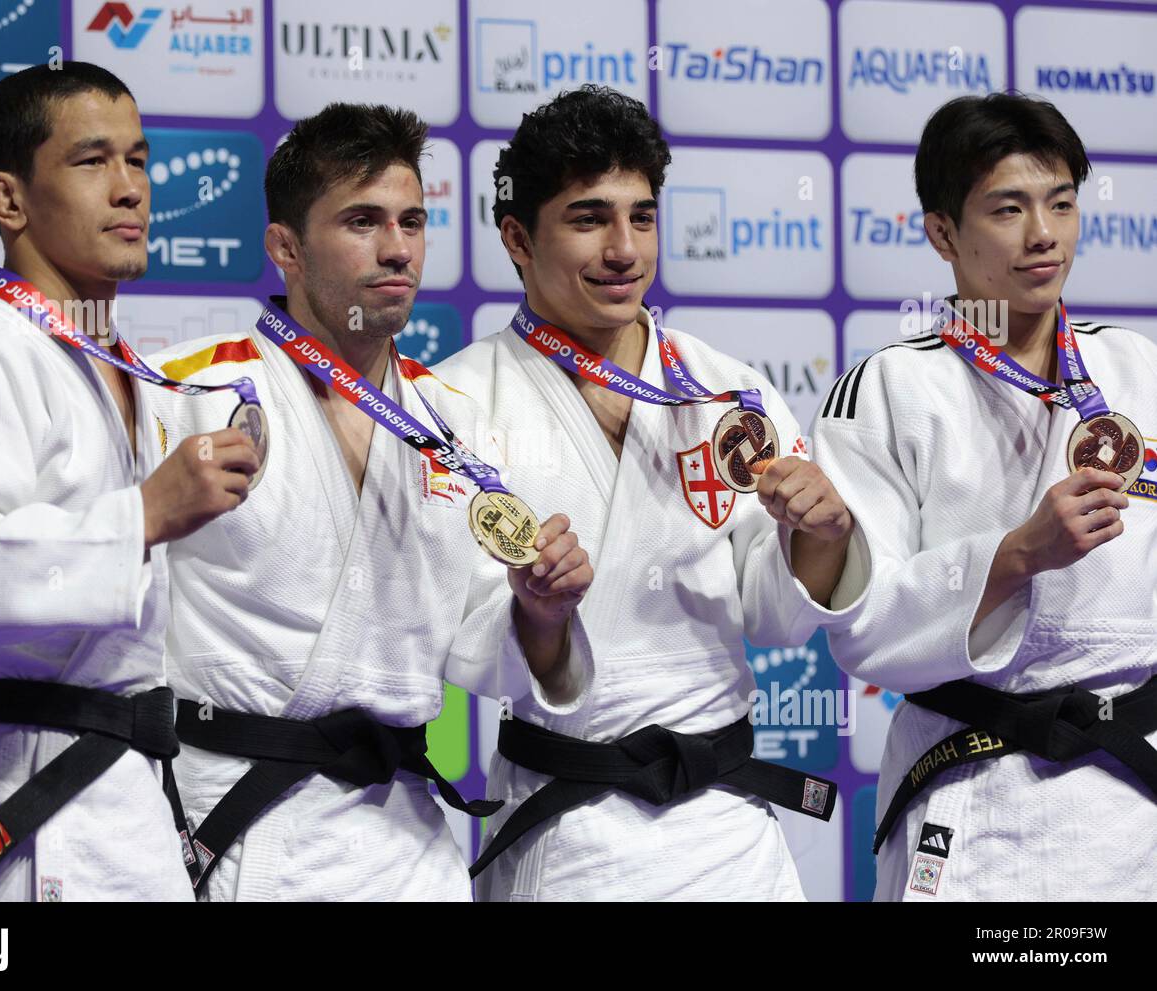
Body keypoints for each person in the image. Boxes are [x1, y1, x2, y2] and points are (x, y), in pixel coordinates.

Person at [429, 86, 873, 901]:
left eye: (642, 217)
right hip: (571, 830)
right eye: (590, 218)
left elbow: (773, 615)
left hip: (728, 830)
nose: (623, 249)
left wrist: (822, 535)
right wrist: (539, 614)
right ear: (518, 238)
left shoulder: (727, 393)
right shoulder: (453, 405)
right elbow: (453, 632)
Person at [146, 102, 594, 900]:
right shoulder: (183, 392)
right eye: (362, 221)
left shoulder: (455, 421)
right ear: (285, 246)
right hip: (238, 833)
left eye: (412, 221)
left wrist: (540, 609)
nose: (397, 249)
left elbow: (485, 648)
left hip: (405, 841)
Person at [0, 62, 257, 901]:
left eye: (140, 161)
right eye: (92, 161)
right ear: (9, 200)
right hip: (18, 815)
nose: (130, 190)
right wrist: (142, 515)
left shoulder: (130, 373)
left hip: (130, 809)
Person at [812, 92, 1157, 900]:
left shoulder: (1141, 371)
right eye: (1009, 208)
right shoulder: (888, 390)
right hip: (976, 794)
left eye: (1062, 203)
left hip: (1134, 796)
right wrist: (1014, 557)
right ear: (942, 232)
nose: (1044, 234)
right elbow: (861, 629)